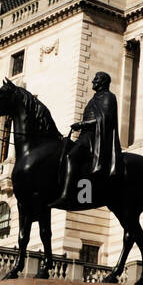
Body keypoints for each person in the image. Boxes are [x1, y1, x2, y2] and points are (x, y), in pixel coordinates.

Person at [50, 71, 121, 207]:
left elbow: (104, 119)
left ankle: (67, 195)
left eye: (96, 79)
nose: (93, 81)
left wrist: (81, 124)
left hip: (95, 137)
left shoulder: (108, 97)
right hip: (84, 135)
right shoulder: (95, 98)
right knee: (63, 149)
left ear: (103, 82)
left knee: (71, 156)